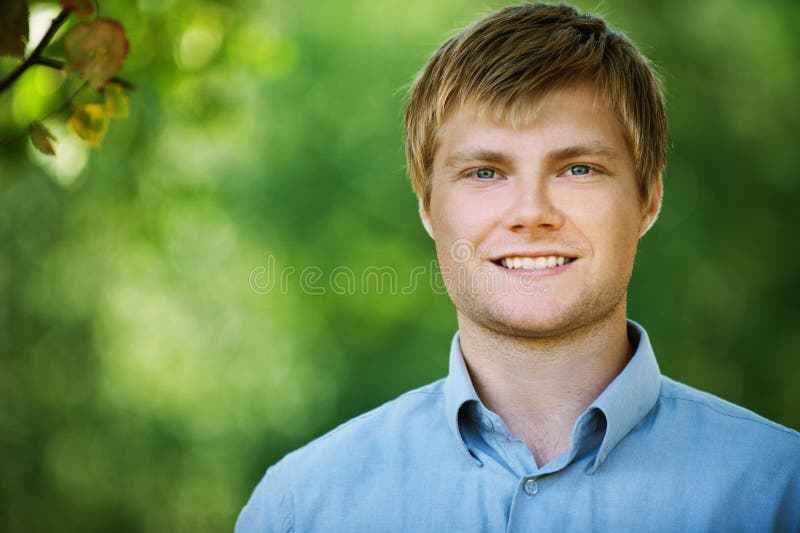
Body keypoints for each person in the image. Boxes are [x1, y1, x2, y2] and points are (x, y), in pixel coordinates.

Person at [236, 3, 800, 531]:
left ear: (648, 199)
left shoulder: (780, 490)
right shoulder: (301, 507)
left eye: (578, 169)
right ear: (428, 207)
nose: (531, 214)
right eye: (485, 172)